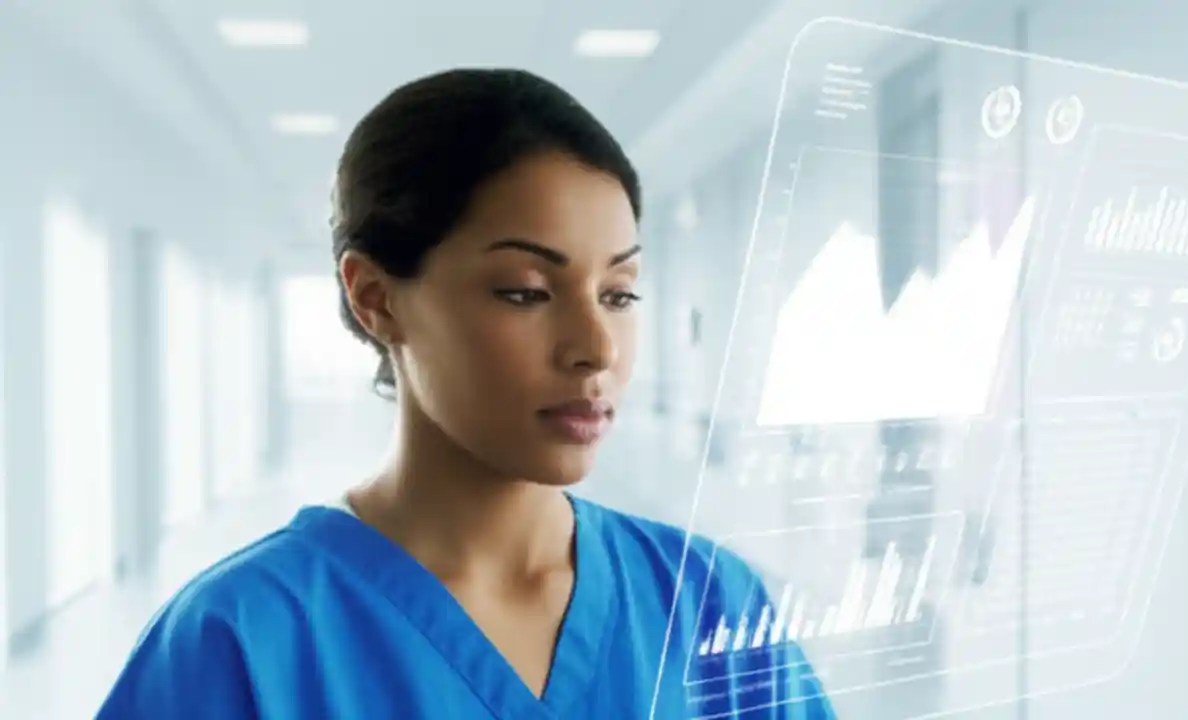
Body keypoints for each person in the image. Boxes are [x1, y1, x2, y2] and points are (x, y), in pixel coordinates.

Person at [97, 68, 837, 719]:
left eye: (618, 294)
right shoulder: (243, 642)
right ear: (377, 298)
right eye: (525, 292)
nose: (596, 349)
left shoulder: (706, 602)